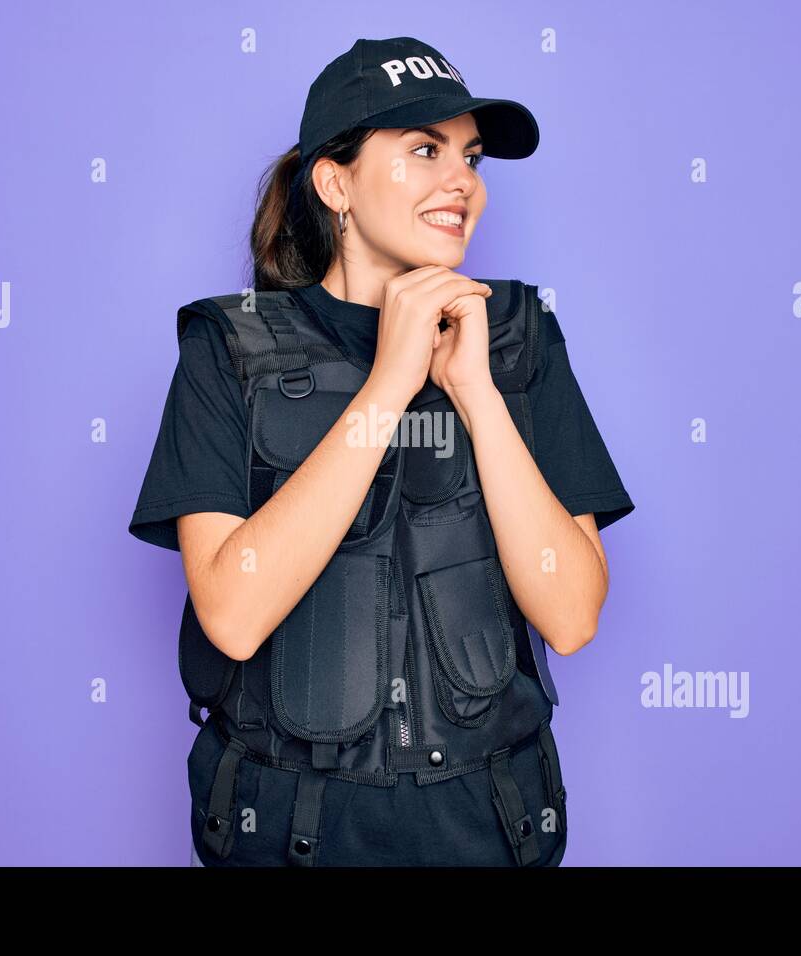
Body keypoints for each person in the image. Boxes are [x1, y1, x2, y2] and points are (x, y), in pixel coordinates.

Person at [130, 36, 635, 866]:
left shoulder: (519, 339)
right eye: (424, 151)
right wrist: (386, 388)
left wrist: (473, 392)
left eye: (470, 156)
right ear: (336, 184)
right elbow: (233, 614)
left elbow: (572, 615)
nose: (462, 181)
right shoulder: (225, 349)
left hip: (489, 825)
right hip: (290, 832)